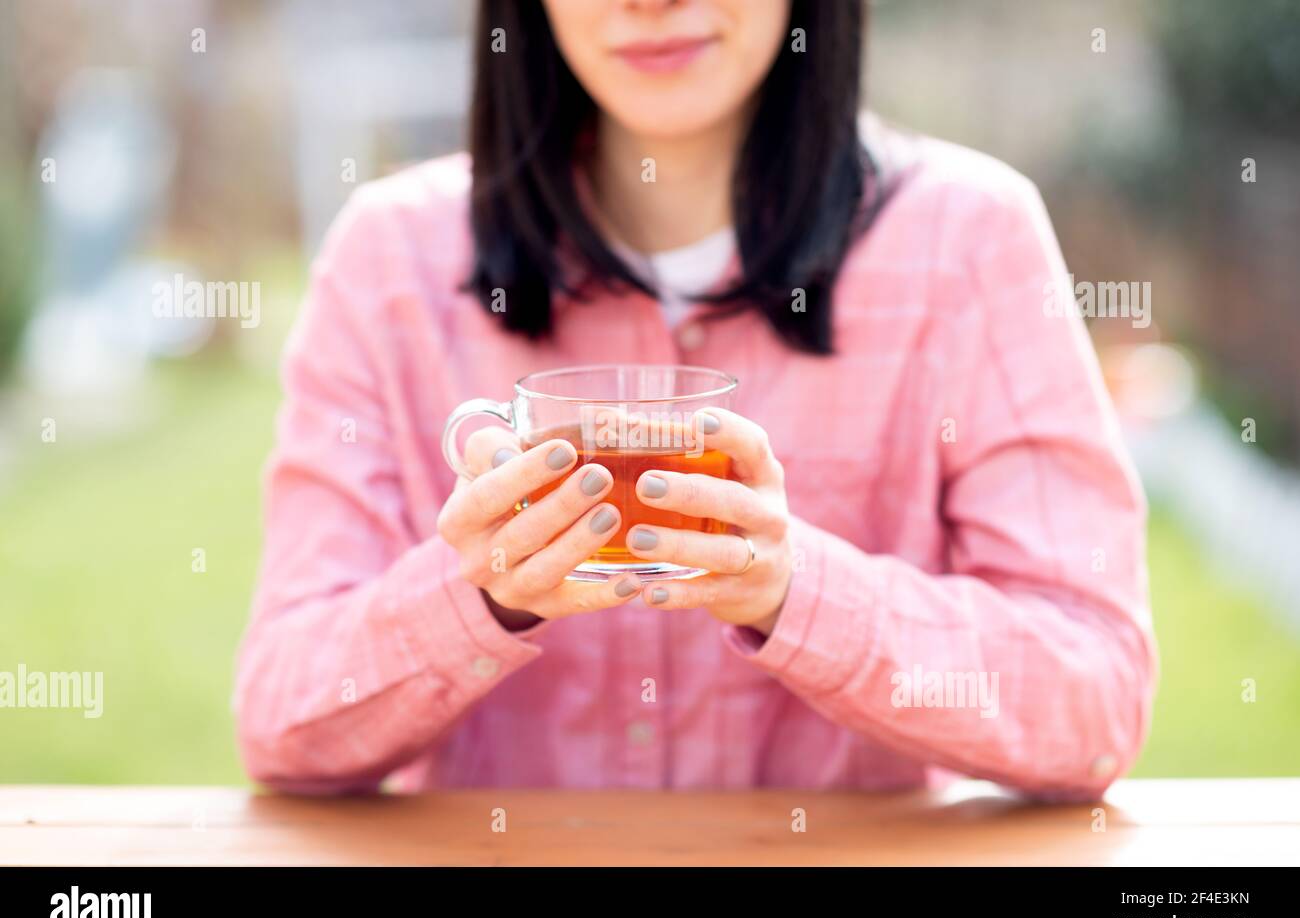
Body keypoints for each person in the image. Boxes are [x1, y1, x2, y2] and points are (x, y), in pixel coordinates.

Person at [235, 0, 1156, 798]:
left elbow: (1095, 699)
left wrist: (794, 590)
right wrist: (479, 592)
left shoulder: (968, 238)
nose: (651, 1)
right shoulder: (390, 258)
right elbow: (286, 723)